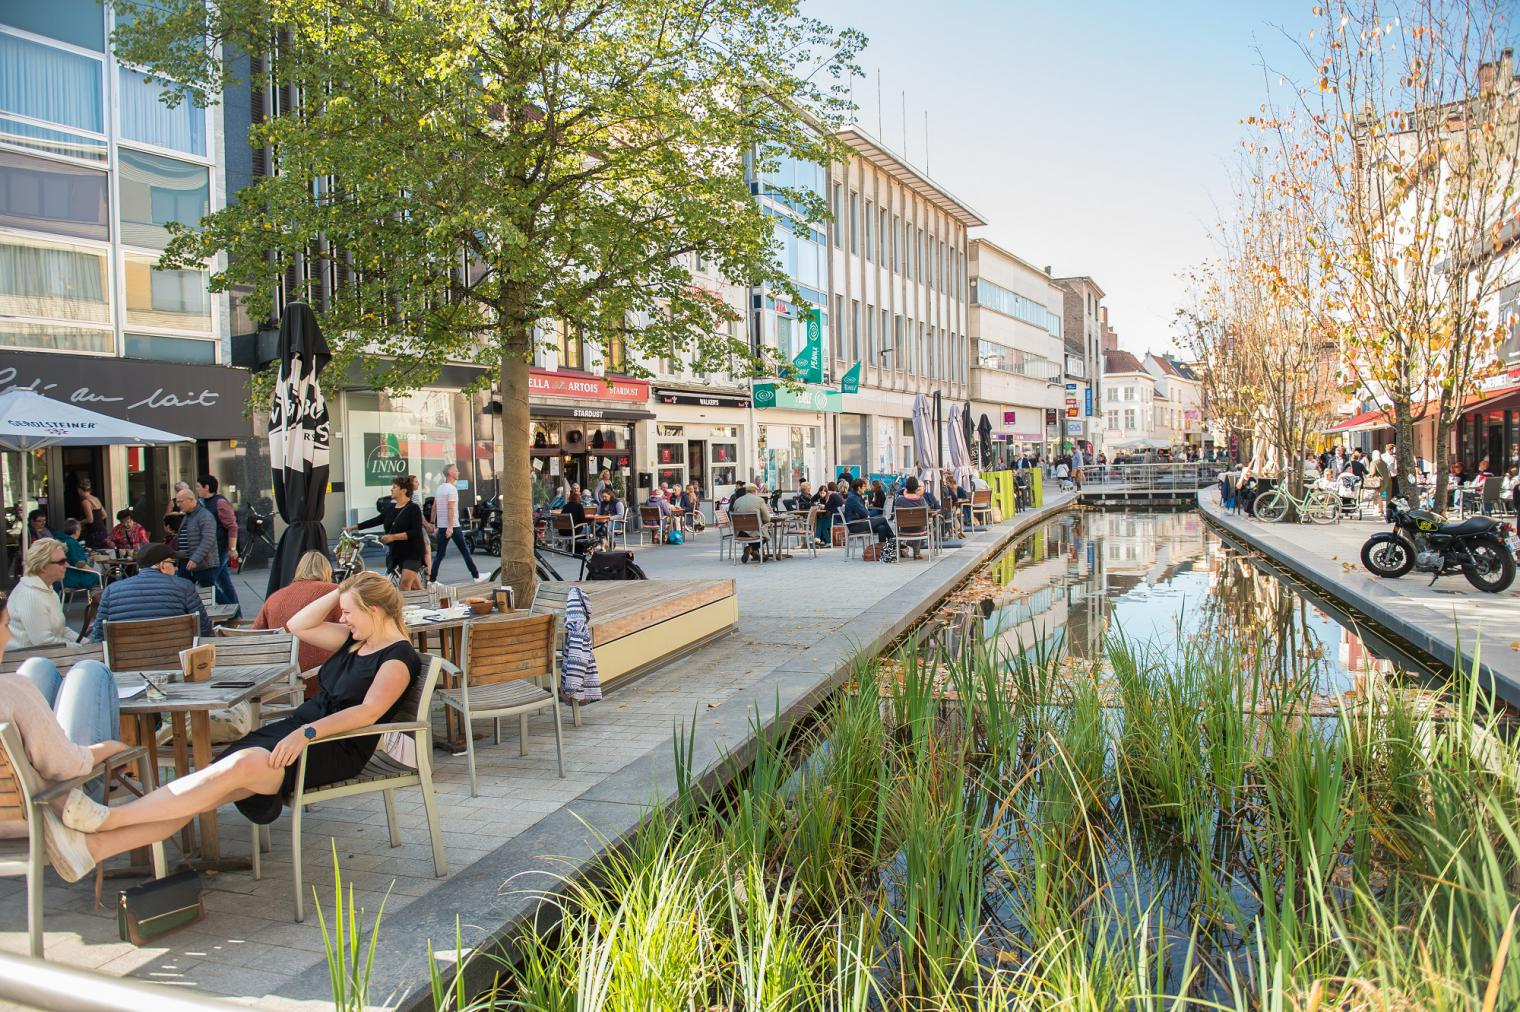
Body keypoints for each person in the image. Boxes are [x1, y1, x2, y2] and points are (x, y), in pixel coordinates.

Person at [44, 572, 423, 884]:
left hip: (334, 746)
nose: (342, 619)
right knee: (206, 788)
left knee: (236, 768)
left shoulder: (397, 657)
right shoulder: (355, 642)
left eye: (348, 613)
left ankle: (107, 819)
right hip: (297, 730)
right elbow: (297, 624)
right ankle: (93, 851)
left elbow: (367, 713)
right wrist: (342, 591)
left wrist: (304, 734)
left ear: (374, 611)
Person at [0, 592, 128, 842]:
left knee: (38, 666)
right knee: (91, 670)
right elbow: (66, 765)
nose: (10, 635)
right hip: (48, 805)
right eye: (6, 625)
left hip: (11, 807)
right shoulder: (11, 689)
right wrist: (112, 747)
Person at [90, 543, 212, 640]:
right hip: (176, 663)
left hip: (125, 664)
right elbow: (203, 629)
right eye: (173, 563)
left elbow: (98, 636)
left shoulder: (111, 590)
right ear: (162, 565)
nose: (176, 568)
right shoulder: (185, 586)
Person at [252, 550, 341, 678]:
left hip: (280, 677)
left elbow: (256, 635)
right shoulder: (334, 593)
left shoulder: (275, 597)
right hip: (321, 677)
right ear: (327, 570)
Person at [347, 476, 426, 590]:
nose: (391, 489)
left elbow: (415, 532)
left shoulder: (413, 508)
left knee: (404, 586)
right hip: (397, 552)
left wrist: (393, 537)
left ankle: (404, 607)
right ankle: (428, 603)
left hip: (412, 552)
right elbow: (376, 520)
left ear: (403, 491)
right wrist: (354, 527)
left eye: (394, 487)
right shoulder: (390, 508)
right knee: (416, 586)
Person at [7, 540, 72, 648]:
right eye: (61, 562)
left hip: (45, 656)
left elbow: (61, 630)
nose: (67, 565)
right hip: (24, 661)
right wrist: (77, 647)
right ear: (43, 567)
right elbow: (44, 642)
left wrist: (86, 643)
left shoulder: (47, 589)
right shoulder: (30, 594)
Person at [197, 475, 241, 619]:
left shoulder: (219, 502)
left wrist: (232, 549)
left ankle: (232, 614)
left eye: (198, 486)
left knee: (207, 582)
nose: (196, 489)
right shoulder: (204, 502)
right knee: (225, 583)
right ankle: (237, 615)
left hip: (220, 549)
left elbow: (232, 526)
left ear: (207, 487)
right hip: (214, 549)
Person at [430, 464, 480, 581]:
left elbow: (434, 507)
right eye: (456, 471)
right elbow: (451, 508)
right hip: (453, 526)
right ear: (450, 473)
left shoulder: (439, 488)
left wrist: (433, 523)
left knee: (440, 555)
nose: (458, 473)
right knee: (465, 551)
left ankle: (432, 579)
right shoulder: (452, 489)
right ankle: (476, 576)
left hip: (442, 526)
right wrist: (451, 527)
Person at [173, 486, 218, 592]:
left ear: (191, 500)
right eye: (177, 502)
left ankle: (232, 608)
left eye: (181, 502)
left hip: (202, 564)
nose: (178, 505)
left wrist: (195, 559)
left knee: (210, 592)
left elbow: (208, 539)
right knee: (183, 590)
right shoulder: (187, 516)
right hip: (185, 562)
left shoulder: (204, 515)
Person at [727, 482, 772, 562]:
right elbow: (767, 519)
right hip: (755, 531)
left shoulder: (737, 501)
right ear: (755, 491)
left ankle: (753, 552)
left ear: (746, 491)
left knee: (754, 532)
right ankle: (751, 549)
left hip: (740, 532)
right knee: (767, 534)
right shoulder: (760, 500)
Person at [56, 519, 101, 593]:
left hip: (61, 577)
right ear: (76, 531)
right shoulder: (73, 543)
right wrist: (96, 572)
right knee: (96, 576)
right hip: (71, 577)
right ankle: (95, 600)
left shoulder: (58, 540)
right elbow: (79, 564)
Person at [892, 477, 932, 559]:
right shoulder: (921, 500)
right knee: (919, 526)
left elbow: (894, 514)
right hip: (919, 529)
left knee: (913, 526)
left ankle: (909, 549)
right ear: (917, 488)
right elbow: (927, 512)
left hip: (904, 530)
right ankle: (916, 553)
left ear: (906, 487)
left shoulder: (899, 500)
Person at [845, 478, 893, 545]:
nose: (865, 488)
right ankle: (894, 542)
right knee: (883, 519)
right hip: (855, 525)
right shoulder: (853, 498)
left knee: (882, 528)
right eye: (864, 486)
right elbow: (865, 513)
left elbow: (864, 512)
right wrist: (865, 510)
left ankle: (882, 551)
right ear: (859, 488)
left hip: (860, 522)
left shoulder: (856, 496)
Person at [76, 477, 109, 549]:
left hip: (94, 533)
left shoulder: (85, 502)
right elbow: (104, 515)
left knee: (94, 554)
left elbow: (90, 519)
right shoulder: (95, 499)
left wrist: (78, 523)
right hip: (103, 530)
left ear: (80, 490)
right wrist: (98, 520)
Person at [816, 479, 846, 546]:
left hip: (835, 518)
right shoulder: (838, 495)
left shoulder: (832, 495)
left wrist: (821, 505)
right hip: (840, 517)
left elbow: (827, 506)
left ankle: (821, 539)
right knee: (821, 521)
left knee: (822, 523)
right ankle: (820, 539)